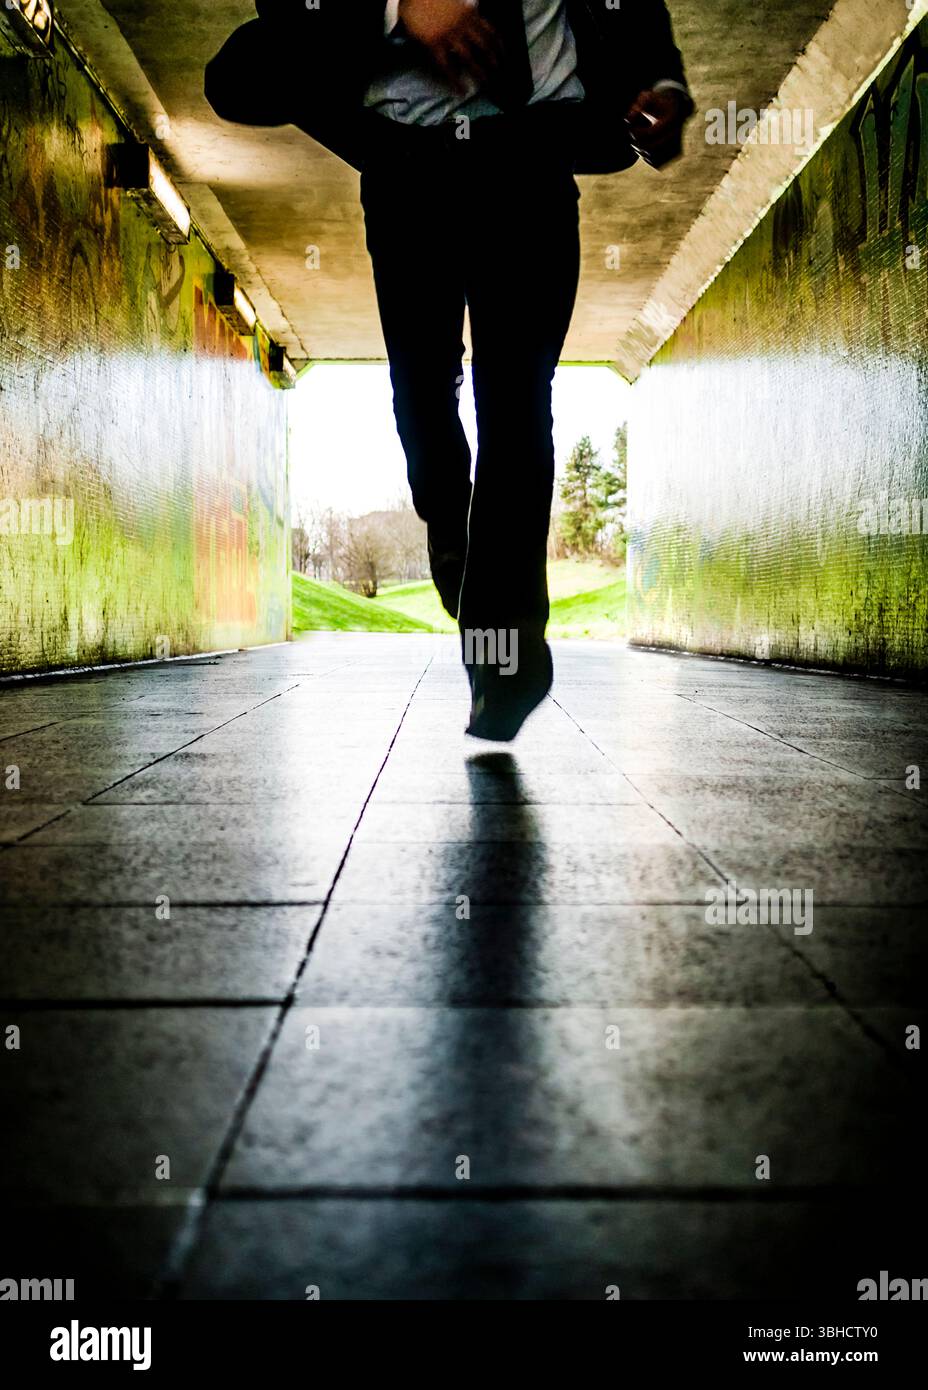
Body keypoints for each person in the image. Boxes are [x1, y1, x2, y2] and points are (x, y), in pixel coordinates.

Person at [207, 1, 693, 740]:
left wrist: (663, 88)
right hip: (408, 167)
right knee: (423, 395)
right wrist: (397, 11)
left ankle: (504, 662)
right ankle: (448, 522)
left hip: (533, 161)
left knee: (518, 402)